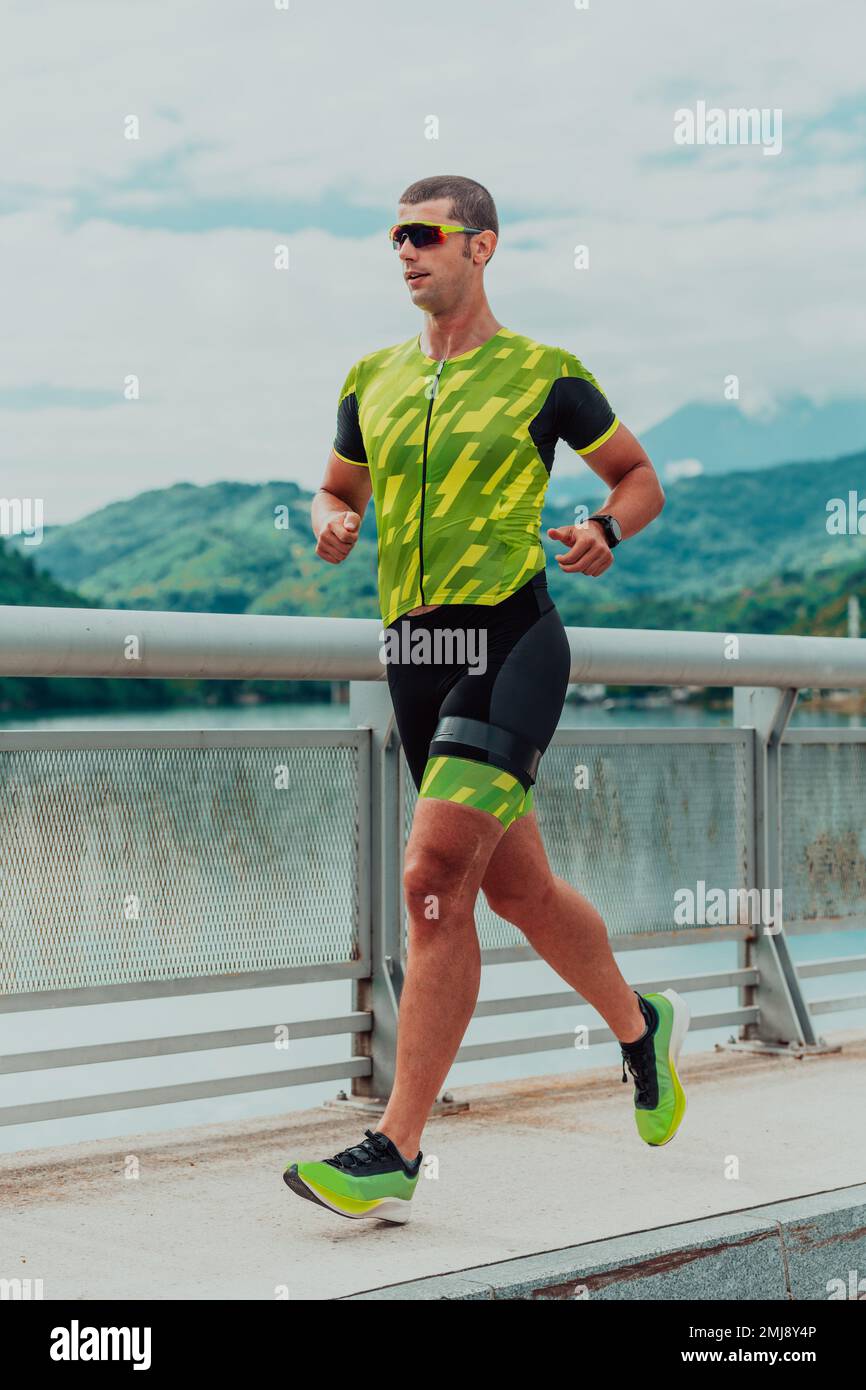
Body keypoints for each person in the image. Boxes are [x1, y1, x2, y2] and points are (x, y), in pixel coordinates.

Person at [283, 175, 689, 1224]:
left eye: (425, 236)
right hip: (413, 655)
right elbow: (337, 486)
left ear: (483, 247)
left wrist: (605, 526)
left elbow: (638, 476)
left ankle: (395, 1147)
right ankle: (640, 1026)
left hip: (507, 636)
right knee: (517, 893)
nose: (407, 252)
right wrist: (328, 516)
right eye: (396, 238)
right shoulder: (368, 378)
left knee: (429, 877)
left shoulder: (544, 375)